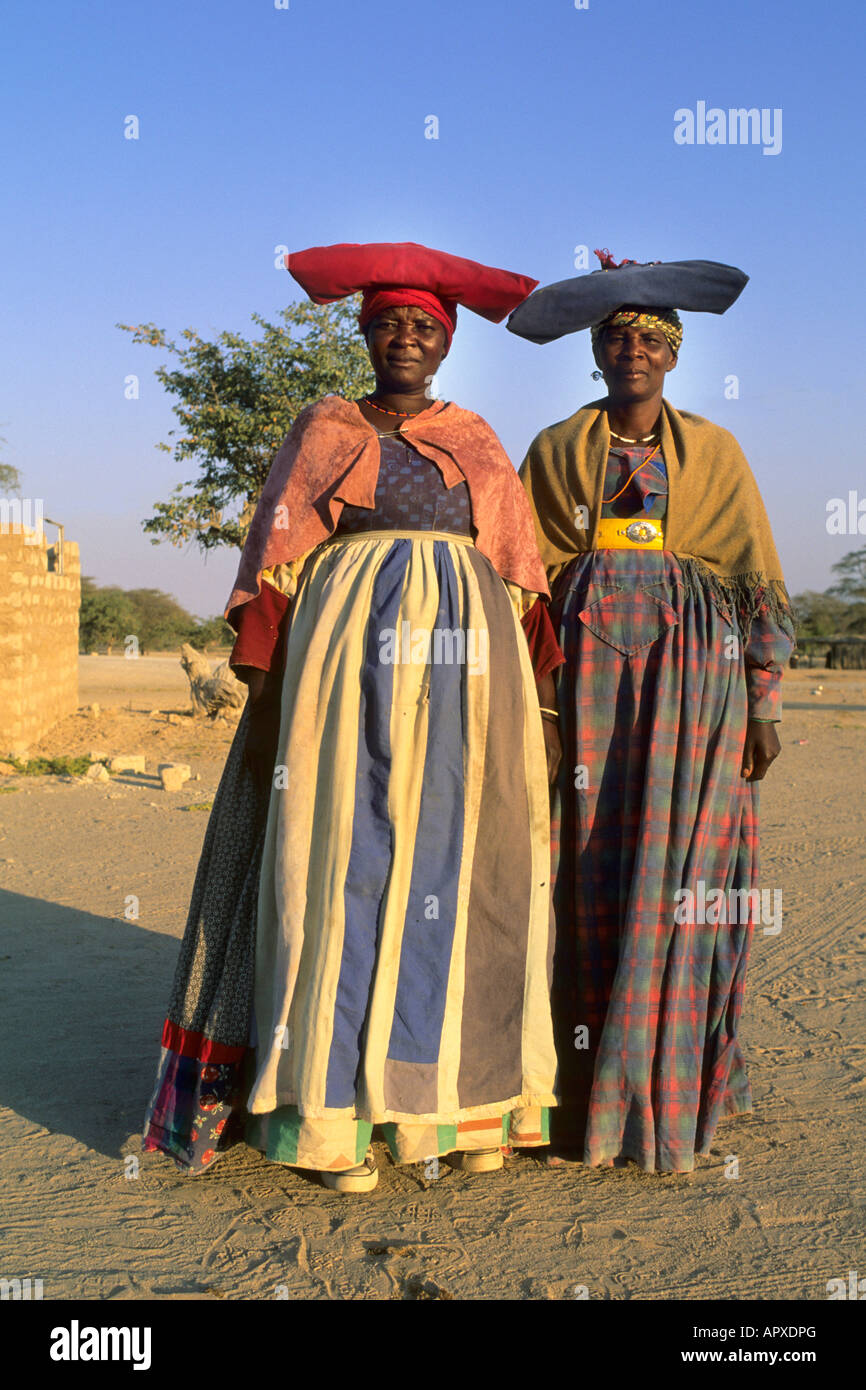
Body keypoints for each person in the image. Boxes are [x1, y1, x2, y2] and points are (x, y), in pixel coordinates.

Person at [143, 242, 563, 1193]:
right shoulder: (324, 428)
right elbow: (276, 556)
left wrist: (533, 701)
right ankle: (329, 1119)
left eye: (423, 327)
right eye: (387, 325)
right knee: (336, 865)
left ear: (446, 343)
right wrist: (265, 674)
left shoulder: (482, 440)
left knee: (455, 873)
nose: (404, 339)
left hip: (464, 681)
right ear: (364, 334)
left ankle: (444, 1113)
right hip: (342, 679)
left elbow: (519, 573)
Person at [508, 250, 795, 1173]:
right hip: (585, 681)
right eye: (618, 337)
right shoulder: (555, 449)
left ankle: (670, 1086)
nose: (633, 350)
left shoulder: (715, 451)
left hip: (696, 684)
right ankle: (577, 1087)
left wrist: (763, 702)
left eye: (652, 339)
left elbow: (756, 583)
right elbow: (522, 581)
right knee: (585, 862)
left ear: (674, 357)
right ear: (595, 351)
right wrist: (540, 708)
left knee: (681, 867)